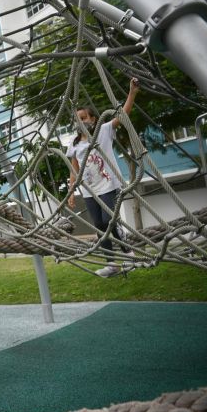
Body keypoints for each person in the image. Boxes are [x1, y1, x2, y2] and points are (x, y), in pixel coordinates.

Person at [67, 78, 140, 277]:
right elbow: (74, 170)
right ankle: (111, 264)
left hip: (109, 185)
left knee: (109, 220)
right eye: (77, 119)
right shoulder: (73, 143)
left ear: (92, 118)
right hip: (89, 191)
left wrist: (132, 93)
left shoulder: (104, 131)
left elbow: (123, 115)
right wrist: (71, 191)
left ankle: (130, 255)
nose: (80, 121)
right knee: (99, 225)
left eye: (83, 117)